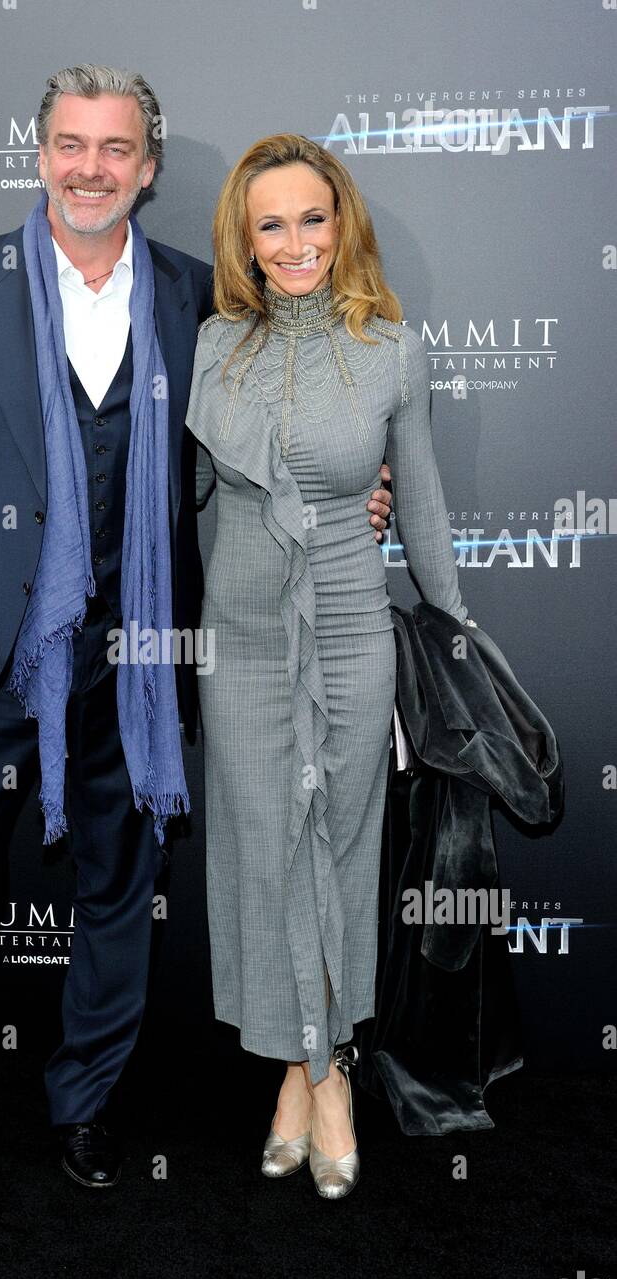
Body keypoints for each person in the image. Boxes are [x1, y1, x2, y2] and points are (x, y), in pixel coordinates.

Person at [0, 73, 392, 1218]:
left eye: (116, 148)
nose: (91, 166)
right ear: (38, 155)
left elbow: (278, 428)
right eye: (69, 144)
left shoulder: (196, 301)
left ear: (147, 169)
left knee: (117, 895)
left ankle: (84, 1105)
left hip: (138, 659)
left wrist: (360, 488)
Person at [186, 133, 473, 1199]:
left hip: (350, 632)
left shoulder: (390, 349)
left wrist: (454, 631)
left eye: (313, 218)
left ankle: (325, 1077)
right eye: (272, 224)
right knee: (266, 859)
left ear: (339, 222)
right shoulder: (216, 346)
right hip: (246, 641)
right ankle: (296, 1068)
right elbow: (206, 492)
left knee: (341, 852)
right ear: (245, 240)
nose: (296, 242)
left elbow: (427, 504)